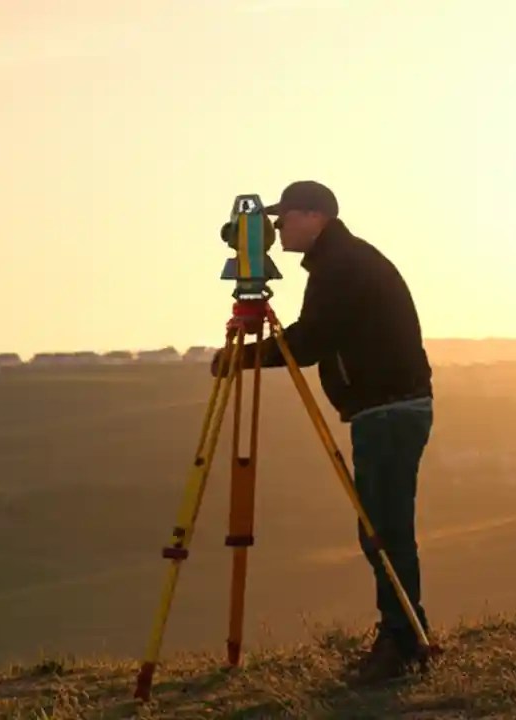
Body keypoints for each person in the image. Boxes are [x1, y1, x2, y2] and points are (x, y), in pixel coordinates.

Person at [210, 180, 435, 682]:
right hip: (387, 409)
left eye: (283, 218)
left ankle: (403, 641)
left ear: (315, 216)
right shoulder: (342, 261)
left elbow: (309, 341)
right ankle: (405, 632)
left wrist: (242, 358)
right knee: (381, 525)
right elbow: (317, 337)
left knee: (383, 527)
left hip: (388, 411)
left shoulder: (341, 266)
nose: (276, 230)